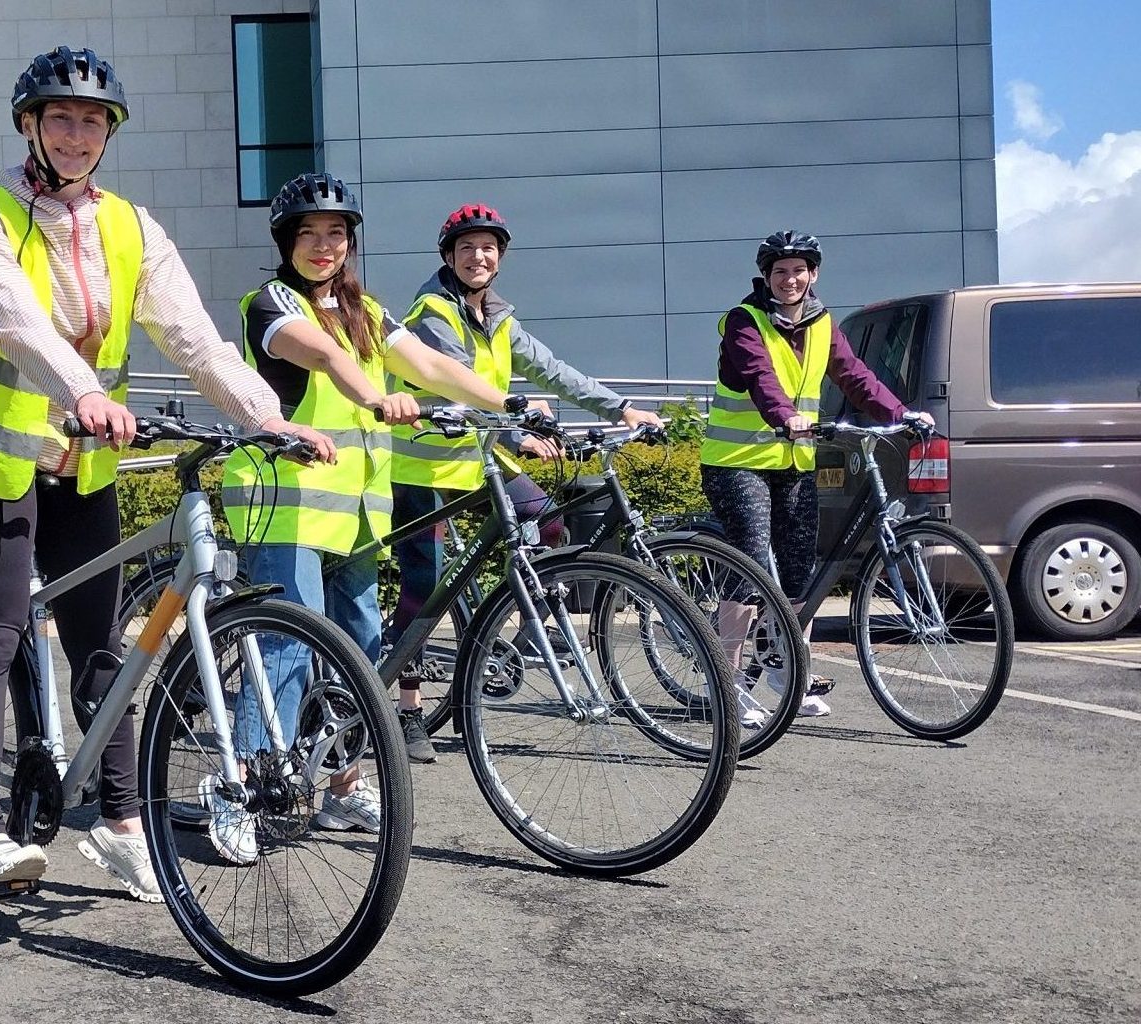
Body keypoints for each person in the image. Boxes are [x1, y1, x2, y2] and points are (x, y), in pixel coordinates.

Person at [0, 47, 333, 903]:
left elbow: (195, 337)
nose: (77, 134)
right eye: (61, 118)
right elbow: (19, 324)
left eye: (93, 121)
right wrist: (79, 392)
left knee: (103, 648)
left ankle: (120, 823)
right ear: (28, 124)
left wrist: (267, 416)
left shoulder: (130, 226)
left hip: (83, 461)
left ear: (110, 134)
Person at [208, 173, 521, 864]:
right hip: (283, 501)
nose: (324, 246)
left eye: (336, 235)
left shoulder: (368, 311)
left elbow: (433, 364)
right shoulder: (270, 303)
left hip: (352, 513)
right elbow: (316, 354)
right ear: (286, 241)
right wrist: (377, 396)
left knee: (361, 651)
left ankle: (342, 780)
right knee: (288, 650)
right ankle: (242, 793)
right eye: (309, 233)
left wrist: (508, 407)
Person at [386, 203, 664, 762]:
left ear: (501, 257)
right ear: (448, 256)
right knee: (425, 585)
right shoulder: (432, 311)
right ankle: (408, 710)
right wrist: (517, 434)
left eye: (488, 247)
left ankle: (507, 635)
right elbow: (457, 380)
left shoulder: (500, 318)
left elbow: (553, 371)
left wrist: (624, 409)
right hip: (419, 465)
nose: (478, 256)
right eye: (466, 247)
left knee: (549, 519)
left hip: (477, 458)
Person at [699, 231, 932, 725]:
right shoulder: (746, 322)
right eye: (780, 271)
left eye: (799, 270)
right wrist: (785, 416)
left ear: (814, 274)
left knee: (800, 569)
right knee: (754, 565)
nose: (790, 280)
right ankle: (730, 684)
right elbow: (761, 377)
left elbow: (855, 377)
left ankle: (789, 673)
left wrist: (901, 413)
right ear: (765, 276)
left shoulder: (823, 324)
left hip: (794, 462)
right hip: (736, 461)